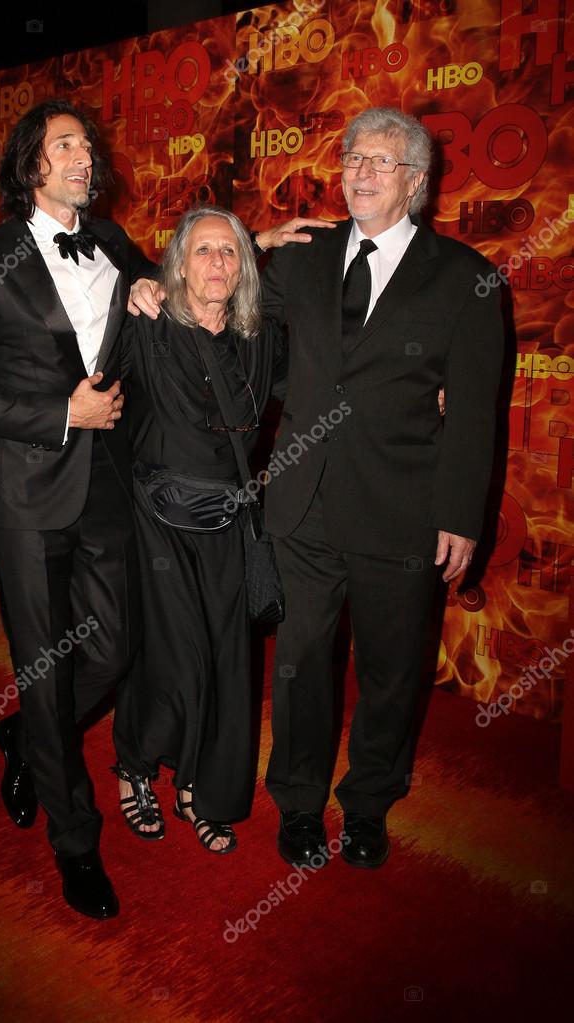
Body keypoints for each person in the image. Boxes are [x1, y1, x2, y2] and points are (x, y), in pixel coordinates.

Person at [253, 106, 504, 869]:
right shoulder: (302, 252)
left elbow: (474, 412)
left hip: (403, 505)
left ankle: (367, 802)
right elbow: (221, 303)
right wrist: (251, 242)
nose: (358, 172)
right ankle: (297, 800)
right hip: (302, 499)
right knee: (298, 657)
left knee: (393, 668)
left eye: (379, 162)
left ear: (417, 183)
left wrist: (461, 514)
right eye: (352, 157)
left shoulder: (466, 277)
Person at [0, 99, 158, 919]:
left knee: (116, 644)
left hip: (105, 483)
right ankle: (76, 844)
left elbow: (158, 283)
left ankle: (29, 734)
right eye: (66, 144)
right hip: (22, 492)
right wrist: (65, 414)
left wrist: (221, 263)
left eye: (88, 145)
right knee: (46, 667)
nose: (84, 155)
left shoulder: (111, 244)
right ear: (32, 164)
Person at [111, 206, 287, 853]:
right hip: (160, 519)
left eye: (230, 252)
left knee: (229, 662)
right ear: (179, 264)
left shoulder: (260, 335)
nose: (217, 262)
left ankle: (202, 789)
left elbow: (318, 382)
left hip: (231, 519)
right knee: (178, 656)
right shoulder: (149, 325)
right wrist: (134, 285)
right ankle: (135, 765)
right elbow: (84, 351)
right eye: (204, 250)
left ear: (243, 269)